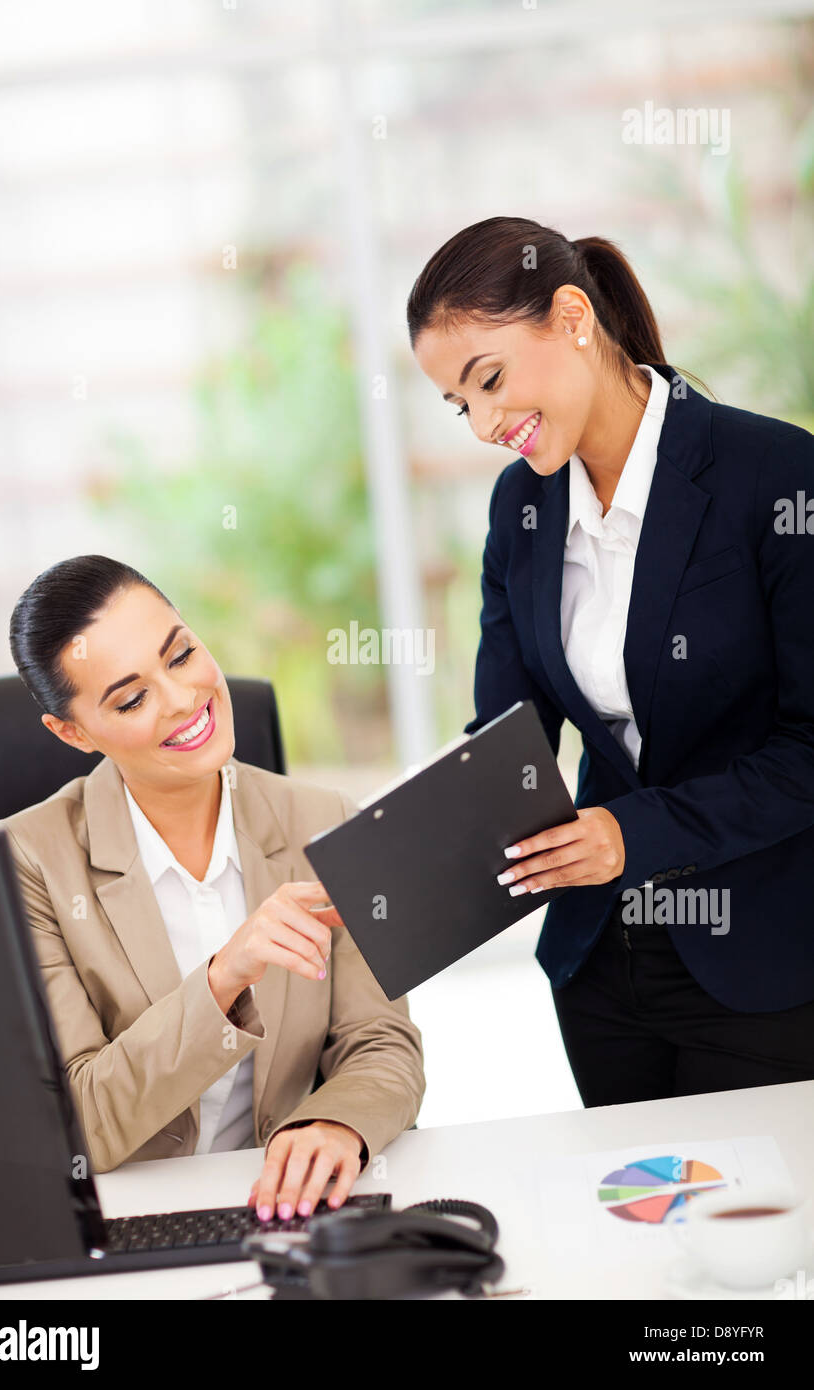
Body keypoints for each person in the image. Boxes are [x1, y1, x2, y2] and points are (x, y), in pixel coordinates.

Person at [406, 214, 814, 1105]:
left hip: (764, 963)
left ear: (573, 318)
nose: (481, 424)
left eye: (490, 380)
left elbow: (808, 751)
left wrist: (635, 836)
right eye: (458, 403)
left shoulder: (777, 477)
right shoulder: (520, 508)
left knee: (752, 1234)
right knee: (632, 1229)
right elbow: (506, 741)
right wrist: (382, 882)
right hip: (600, 967)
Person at [0, 554, 424, 1222]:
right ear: (72, 732)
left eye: (182, 654)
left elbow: (382, 1042)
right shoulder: (25, 863)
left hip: (293, 1211)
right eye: (131, 698)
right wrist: (225, 976)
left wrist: (338, 1123)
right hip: (133, 1223)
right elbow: (79, 1122)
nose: (183, 699)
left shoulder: (326, 822)